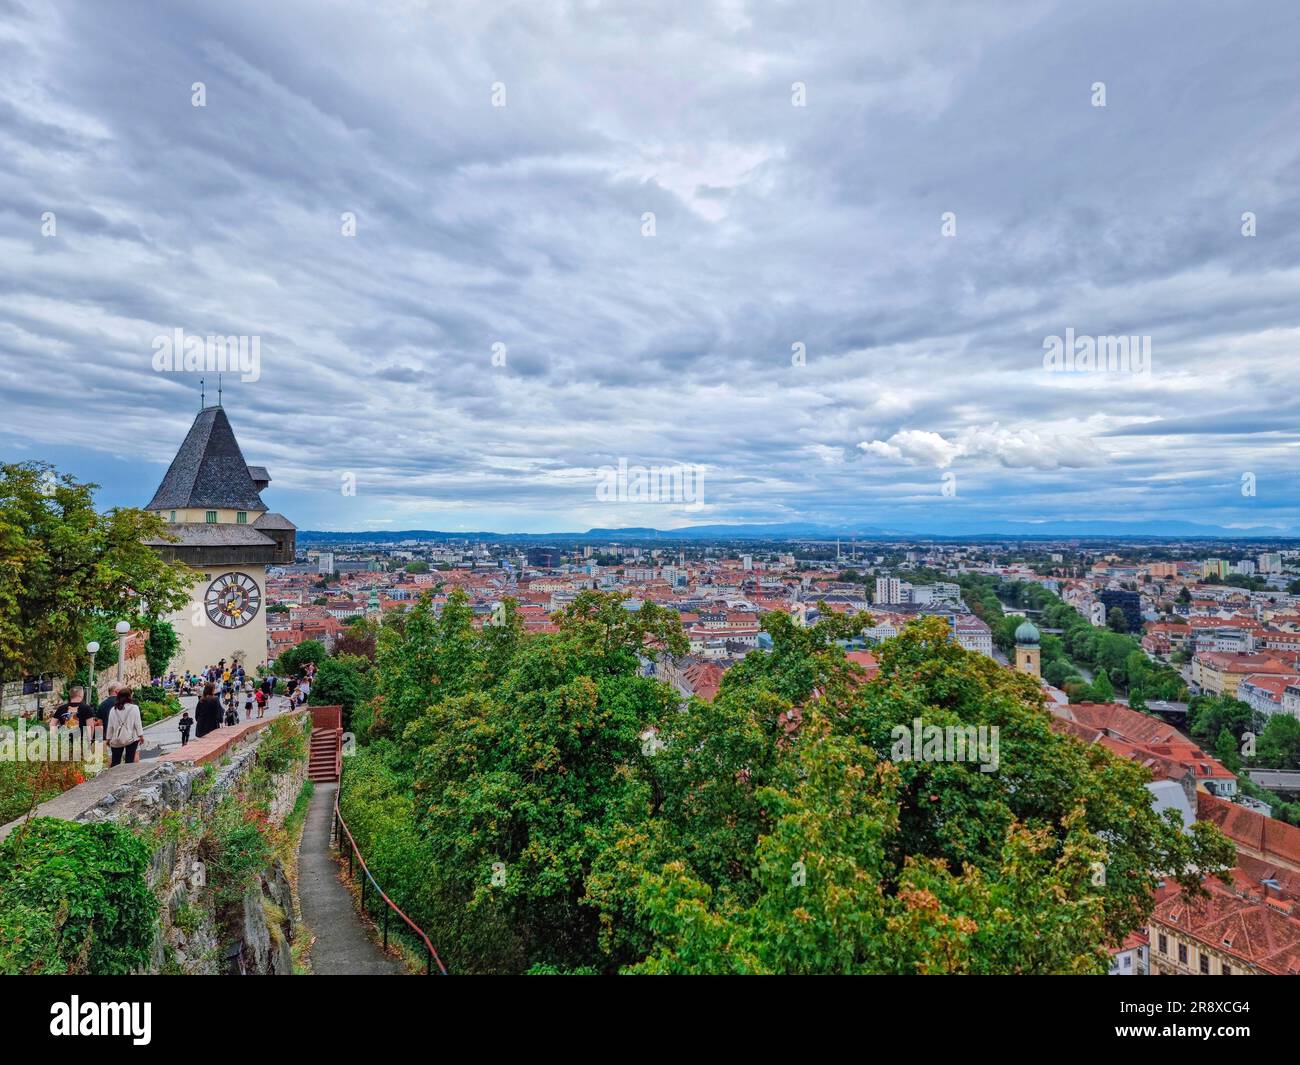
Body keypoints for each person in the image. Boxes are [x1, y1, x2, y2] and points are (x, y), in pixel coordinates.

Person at [105, 688, 144, 767]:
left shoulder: (113, 709)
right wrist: (141, 736)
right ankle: (127, 777)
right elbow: (138, 724)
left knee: (115, 762)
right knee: (129, 761)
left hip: (116, 738)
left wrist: (108, 738)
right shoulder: (134, 708)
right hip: (132, 738)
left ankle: (114, 776)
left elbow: (110, 726)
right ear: (129, 697)